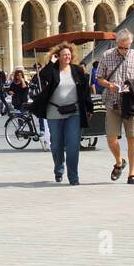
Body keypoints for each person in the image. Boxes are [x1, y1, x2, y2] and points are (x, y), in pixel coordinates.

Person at [30, 43, 91, 185]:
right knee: (56, 144)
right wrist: (51, 63)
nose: (67, 57)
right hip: (54, 111)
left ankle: (74, 177)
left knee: (73, 145)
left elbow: (85, 91)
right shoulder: (53, 71)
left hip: (74, 112)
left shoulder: (77, 70)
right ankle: (59, 168)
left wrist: (89, 108)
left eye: (69, 54)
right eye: (64, 55)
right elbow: (40, 78)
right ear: (58, 56)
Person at [96, 29, 134, 185]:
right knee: (111, 138)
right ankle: (119, 162)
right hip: (112, 102)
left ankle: (132, 175)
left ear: (131, 44)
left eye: (127, 47)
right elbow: (99, 78)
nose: (124, 51)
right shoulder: (107, 56)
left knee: (132, 138)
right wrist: (108, 84)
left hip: (132, 103)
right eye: (121, 47)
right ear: (117, 43)